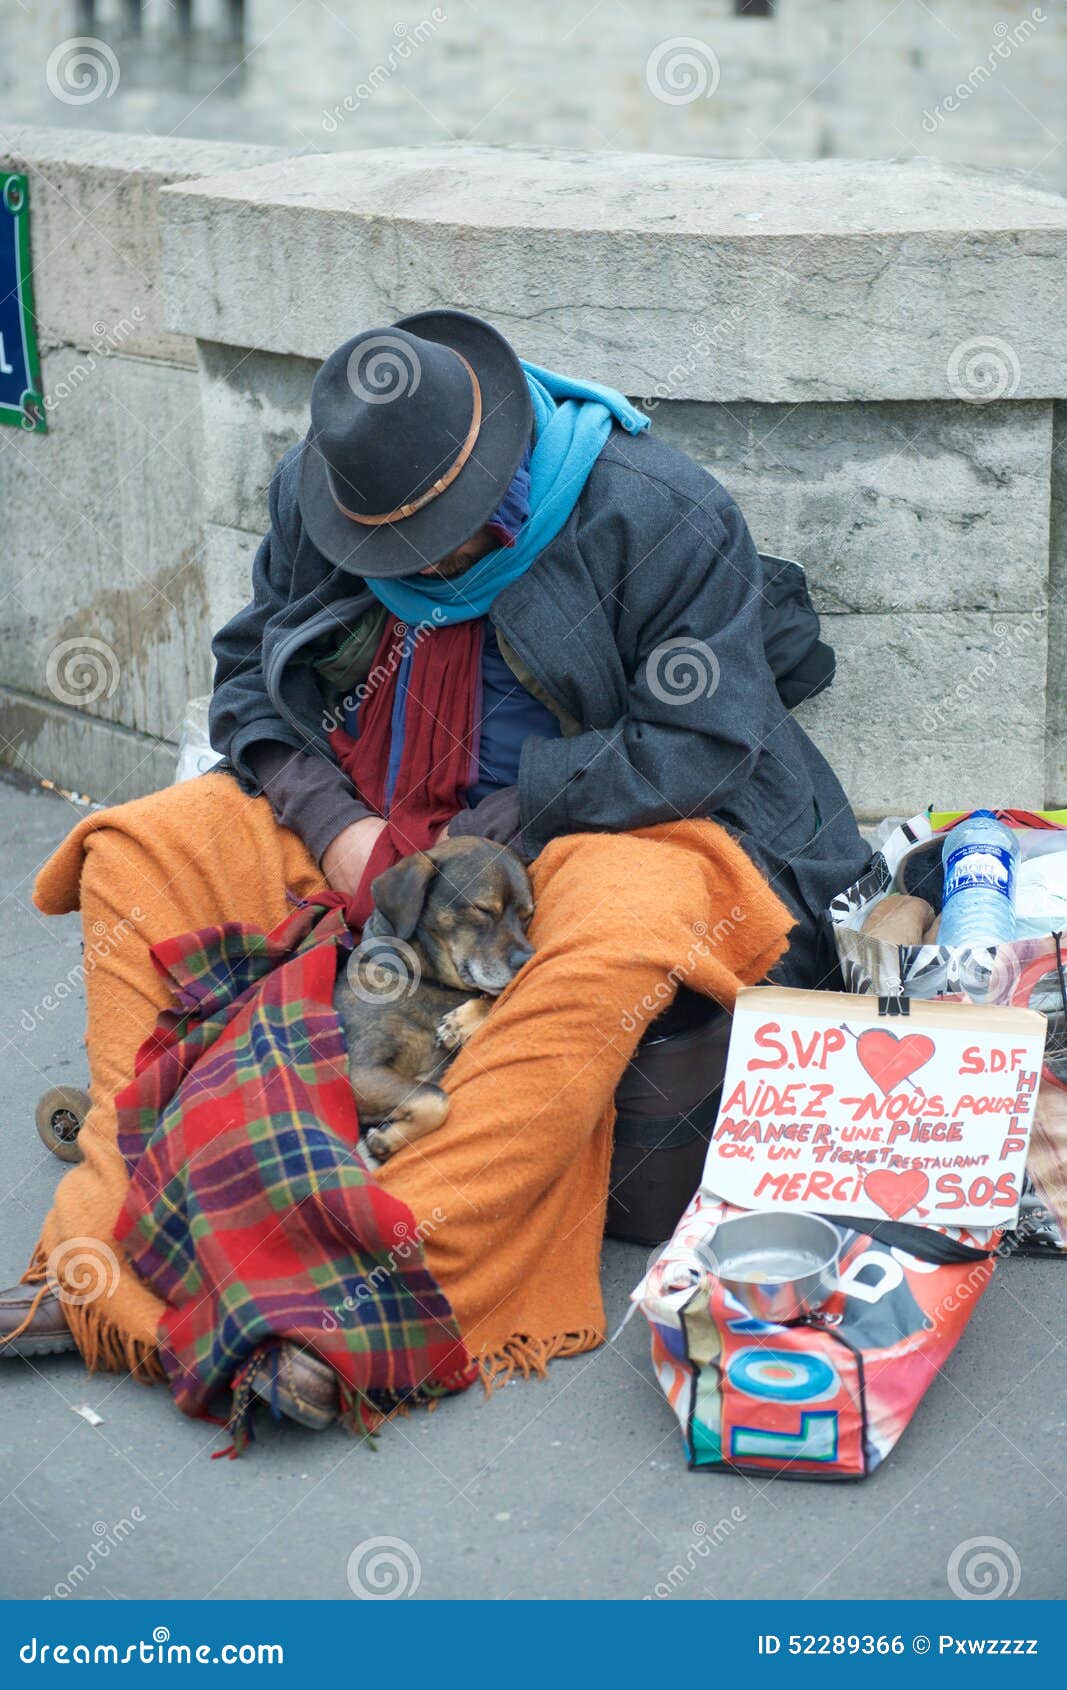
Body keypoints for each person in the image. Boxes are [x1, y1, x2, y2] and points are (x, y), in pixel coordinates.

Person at [0, 310, 870, 1424]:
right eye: (380, 554)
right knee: (139, 847)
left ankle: (354, 1304)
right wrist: (335, 826)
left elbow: (701, 742)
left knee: (627, 923)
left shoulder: (656, 511)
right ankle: (96, 1260)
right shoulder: (322, 494)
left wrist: (510, 817)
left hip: (592, 831)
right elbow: (246, 687)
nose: (403, 572)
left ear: (496, 477)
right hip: (375, 835)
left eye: (432, 542)